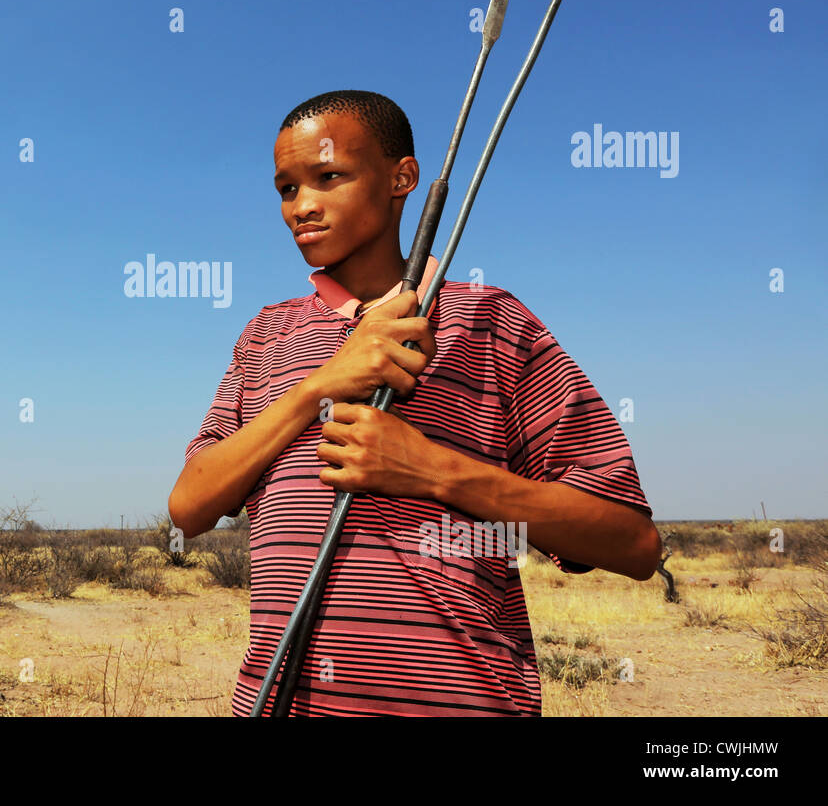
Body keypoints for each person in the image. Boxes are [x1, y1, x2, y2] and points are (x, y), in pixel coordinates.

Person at [168, 89, 659, 716]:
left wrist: (431, 469)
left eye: (328, 177)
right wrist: (319, 386)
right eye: (286, 189)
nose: (302, 207)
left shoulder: (491, 320)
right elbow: (189, 507)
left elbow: (634, 544)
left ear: (403, 178)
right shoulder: (267, 334)